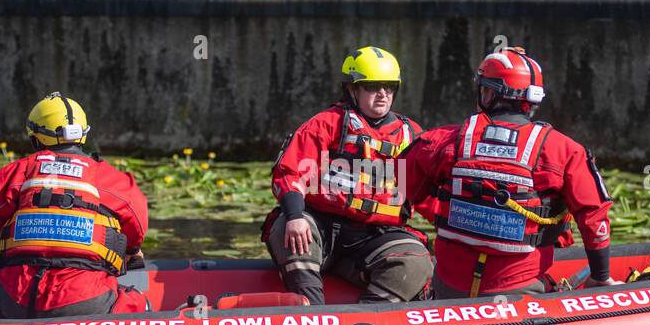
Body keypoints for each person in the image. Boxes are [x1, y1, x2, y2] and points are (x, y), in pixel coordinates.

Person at [402, 46, 619, 298]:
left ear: (489, 94)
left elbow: (404, 184)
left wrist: (445, 211)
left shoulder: (445, 140)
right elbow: (593, 215)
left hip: (450, 286)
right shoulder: (564, 150)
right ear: (532, 101)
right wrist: (601, 276)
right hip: (519, 290)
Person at [264, 46, 434, 305]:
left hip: (373, 236)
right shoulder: (326, 124)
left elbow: (430, 194)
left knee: (417, 261)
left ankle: (368, 319)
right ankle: (312, 316)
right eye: (372, 87)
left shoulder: (411, 135)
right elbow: (289, 173)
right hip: (320, 225)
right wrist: (295, 216)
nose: (382, 94)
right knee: (289, 231)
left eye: (389, 87)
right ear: (352, 90)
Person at [0, 92, 149, 318]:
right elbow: (137, 226)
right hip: (86, 300)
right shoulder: (111, 179)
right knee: (139, 305)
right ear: (83, 135)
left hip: (16, 298)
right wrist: (130, 250)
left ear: (35, 138)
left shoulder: (14, 173)